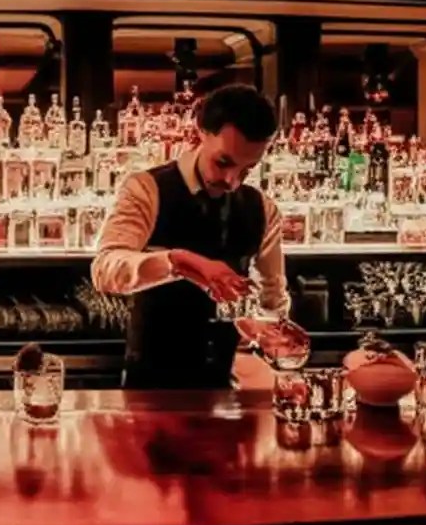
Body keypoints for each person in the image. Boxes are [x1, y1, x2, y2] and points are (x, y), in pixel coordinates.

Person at [91, 83, 289, 390]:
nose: (232, 181)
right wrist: (179, 262)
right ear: (199, 133)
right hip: (153, 388)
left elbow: (272, 296)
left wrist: (269, 330)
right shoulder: (146, 189)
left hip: (229, 388)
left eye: (247, 169)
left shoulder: (262, 208)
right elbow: (105, 269)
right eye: (223, 162)